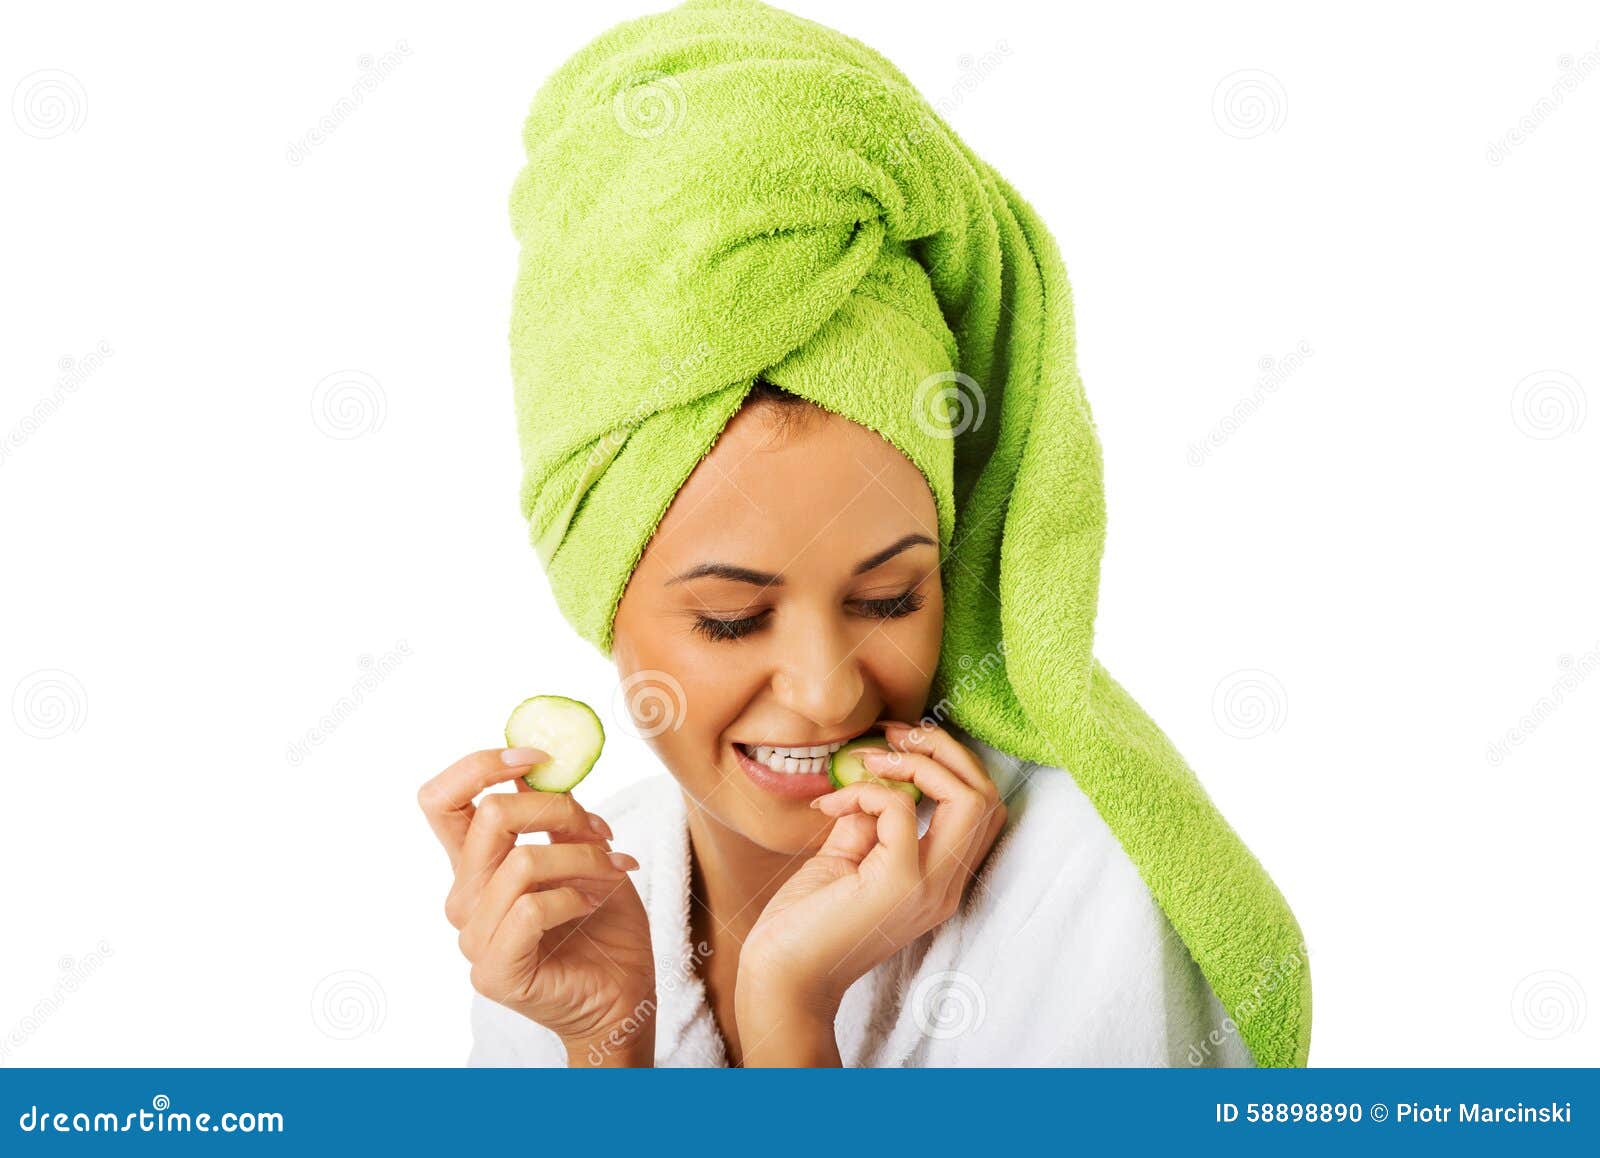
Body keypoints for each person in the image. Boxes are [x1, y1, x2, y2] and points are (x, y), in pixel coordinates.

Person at [419, 0, 1310, 1067]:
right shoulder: (567, 912)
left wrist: (790, 1012)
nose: (827, 692)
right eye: (733, 617)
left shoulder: (1093, 894)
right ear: (599, 595)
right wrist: (601, 1042)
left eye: (889, 599)